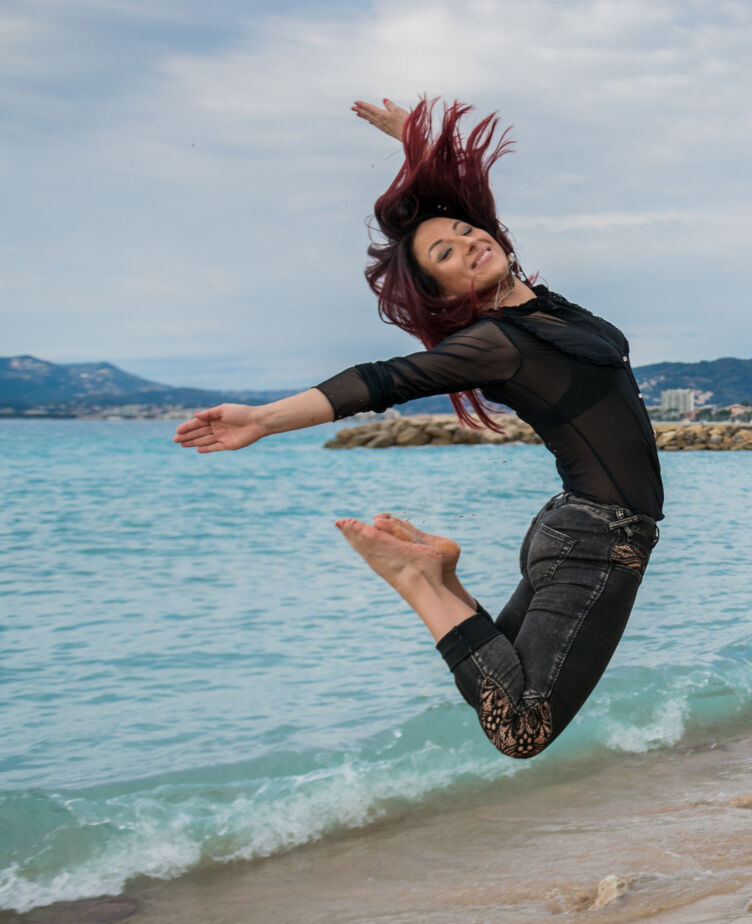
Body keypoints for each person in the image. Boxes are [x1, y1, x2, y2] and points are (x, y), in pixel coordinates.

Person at [174, 98, 663, 759]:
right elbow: (383, 380)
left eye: (465, 231)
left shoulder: (543, 307)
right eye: (447, 252)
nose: (468, 242)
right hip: (598, 540)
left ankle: (438, 575)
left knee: (514, 688)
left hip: (583, 529)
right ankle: (420, 579)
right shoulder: (496, 341)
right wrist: (261, 418)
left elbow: (479, 217)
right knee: (520, 727)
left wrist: (419, 143)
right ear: (446, 292)